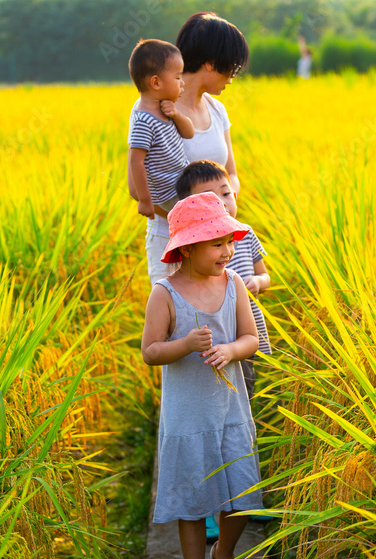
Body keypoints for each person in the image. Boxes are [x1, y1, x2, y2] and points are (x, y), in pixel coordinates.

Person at [141, 192, 264, 559]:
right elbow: (150, 351)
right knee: (192, 502)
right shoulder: (165, 293)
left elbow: (251, 337)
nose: (227, 251)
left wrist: (231, 351)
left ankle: (223, 554)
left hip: (230, 412)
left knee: (242, 493)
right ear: (187, 248)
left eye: (229, 241)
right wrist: (184, 345)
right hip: (188, 417)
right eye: (216, 243)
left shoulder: (232, 285)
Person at [130, 12, 250, 286]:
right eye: (232, 67)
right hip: (172, 239)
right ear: (210, 64)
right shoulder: (153, 111)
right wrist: (192, 224)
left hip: (219, 242)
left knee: (221, 322)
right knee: (176, 323)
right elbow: (135, 187)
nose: (233, 77)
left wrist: (222, 209)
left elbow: (231, 174)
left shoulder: (217, 110)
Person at [175, 160, 271, 400]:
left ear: (235, 193)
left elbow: (265, 275)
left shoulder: (245, 234)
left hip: (243, 329)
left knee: (243, 387)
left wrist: (258, 283)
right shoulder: (194, 247)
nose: (222, 203)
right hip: (211, 329)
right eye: (210, 198)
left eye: (226, 194)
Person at [127, 38, 194, 269]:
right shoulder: (143, 120)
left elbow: (189, 133)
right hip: (166, 193)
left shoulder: (166, 109)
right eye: (177, 77)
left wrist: (176, 114)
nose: (182, 83)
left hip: (182, 183)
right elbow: (136, 162)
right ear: (156, 82)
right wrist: (145, 201)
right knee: (195, 223)